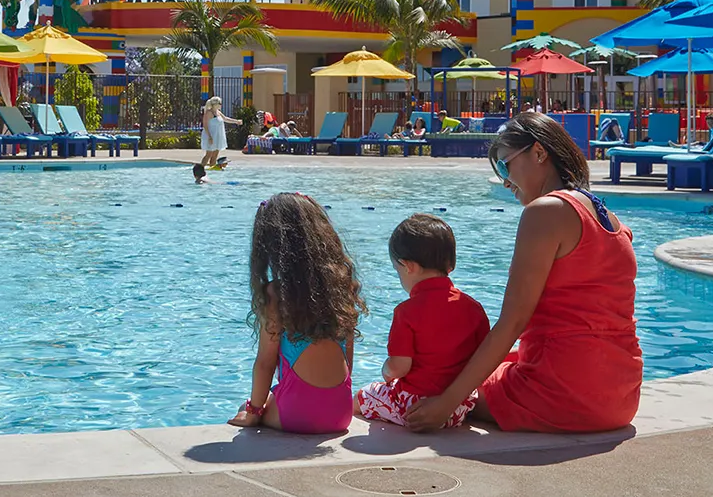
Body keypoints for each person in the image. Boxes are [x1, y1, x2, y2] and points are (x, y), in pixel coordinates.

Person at [404, 113, 642, 433]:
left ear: (539, 153)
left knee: (440, 380)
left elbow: (512, 322)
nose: (505, 180)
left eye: (506, 165)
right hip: (621, 397)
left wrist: (446, 404)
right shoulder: (608, 218)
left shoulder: (545, 212)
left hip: (567, 395)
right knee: (492, 365)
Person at [228, 193, 367, 434]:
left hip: (297, 414)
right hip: (341, 413)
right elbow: (348, 359)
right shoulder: (341, 285)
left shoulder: (276, 294)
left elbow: (265, 363)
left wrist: (253, 412)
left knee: (250, 406)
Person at [355, 214, 489, 429]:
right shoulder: (473, 307)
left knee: (363, 395)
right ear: (451, 264)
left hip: (415, 408)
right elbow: (484, 358)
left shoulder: (406, 312)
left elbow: (399, 367)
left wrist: (386, 372)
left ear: (408, 266)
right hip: (459, 407)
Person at [200, 96, 239, 168]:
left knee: (215, 154)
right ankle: (200, 170)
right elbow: (205, 125)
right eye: (220, 103)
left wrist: (236, 121)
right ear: (215, 104)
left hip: (218, 136)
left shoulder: (218, 112)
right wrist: (209, 137)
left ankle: (212, 169)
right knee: (208, 154)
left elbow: (225, 119)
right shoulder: (209, 113)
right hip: (211, 136)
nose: (221, 105)